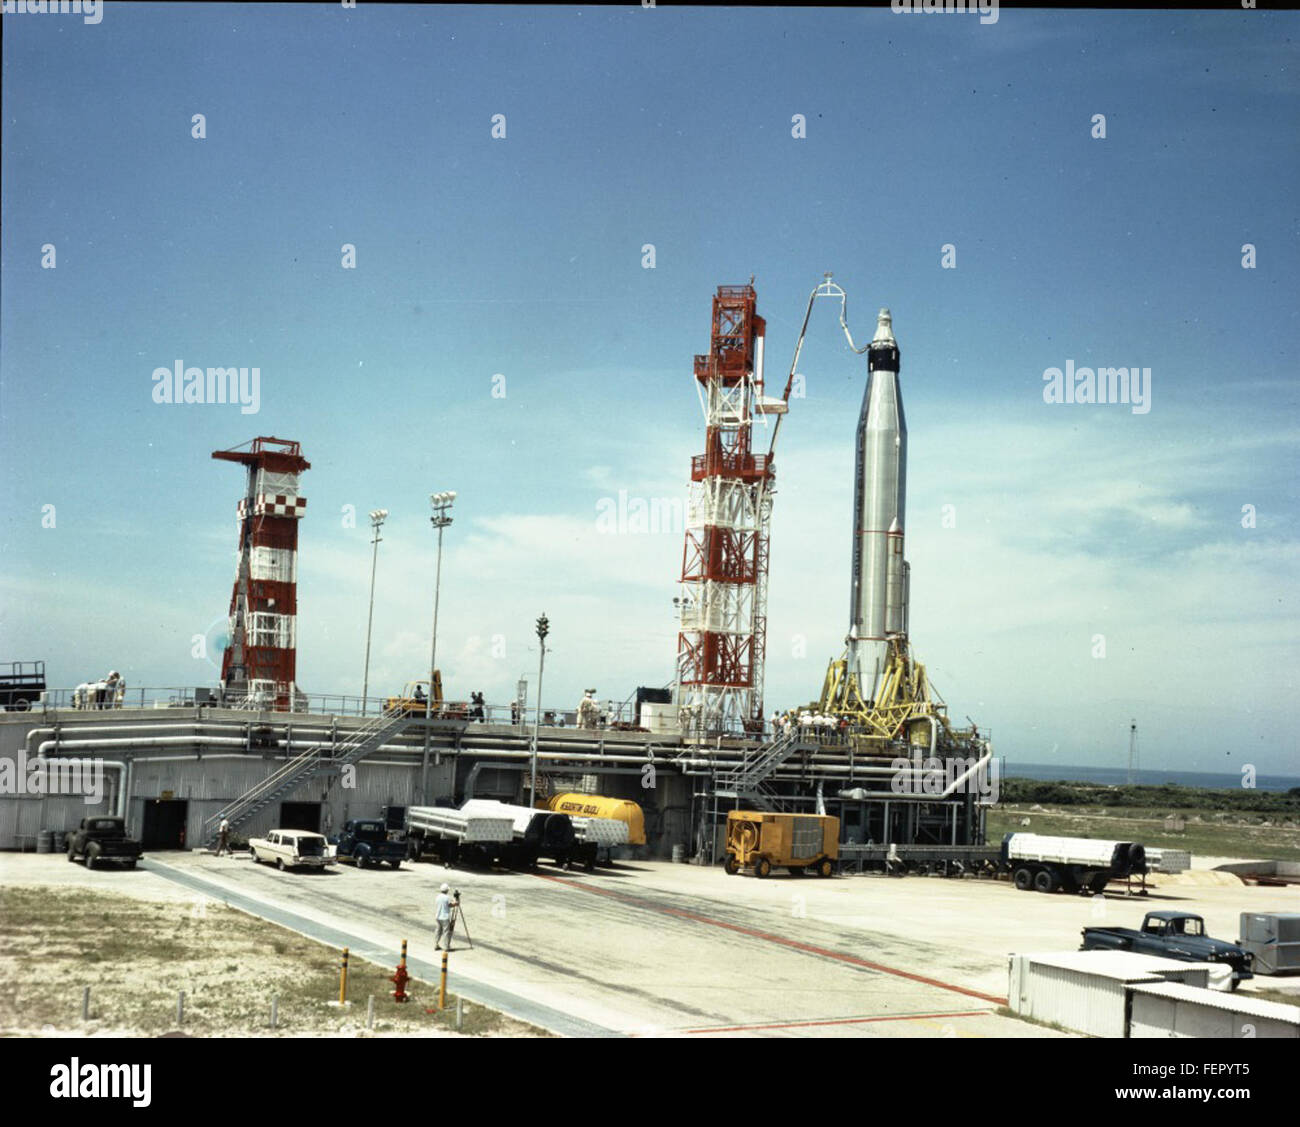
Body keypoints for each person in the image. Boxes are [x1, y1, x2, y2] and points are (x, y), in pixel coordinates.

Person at [434, 882, 454, 951]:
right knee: (446, 932)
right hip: (445, 917)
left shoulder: (438, 896)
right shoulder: (446, 897)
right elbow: (450, 905)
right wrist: (455, 904)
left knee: (438, 931)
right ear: (446, 890)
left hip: (438, 916)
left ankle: (436, 944)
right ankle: (446, 946)